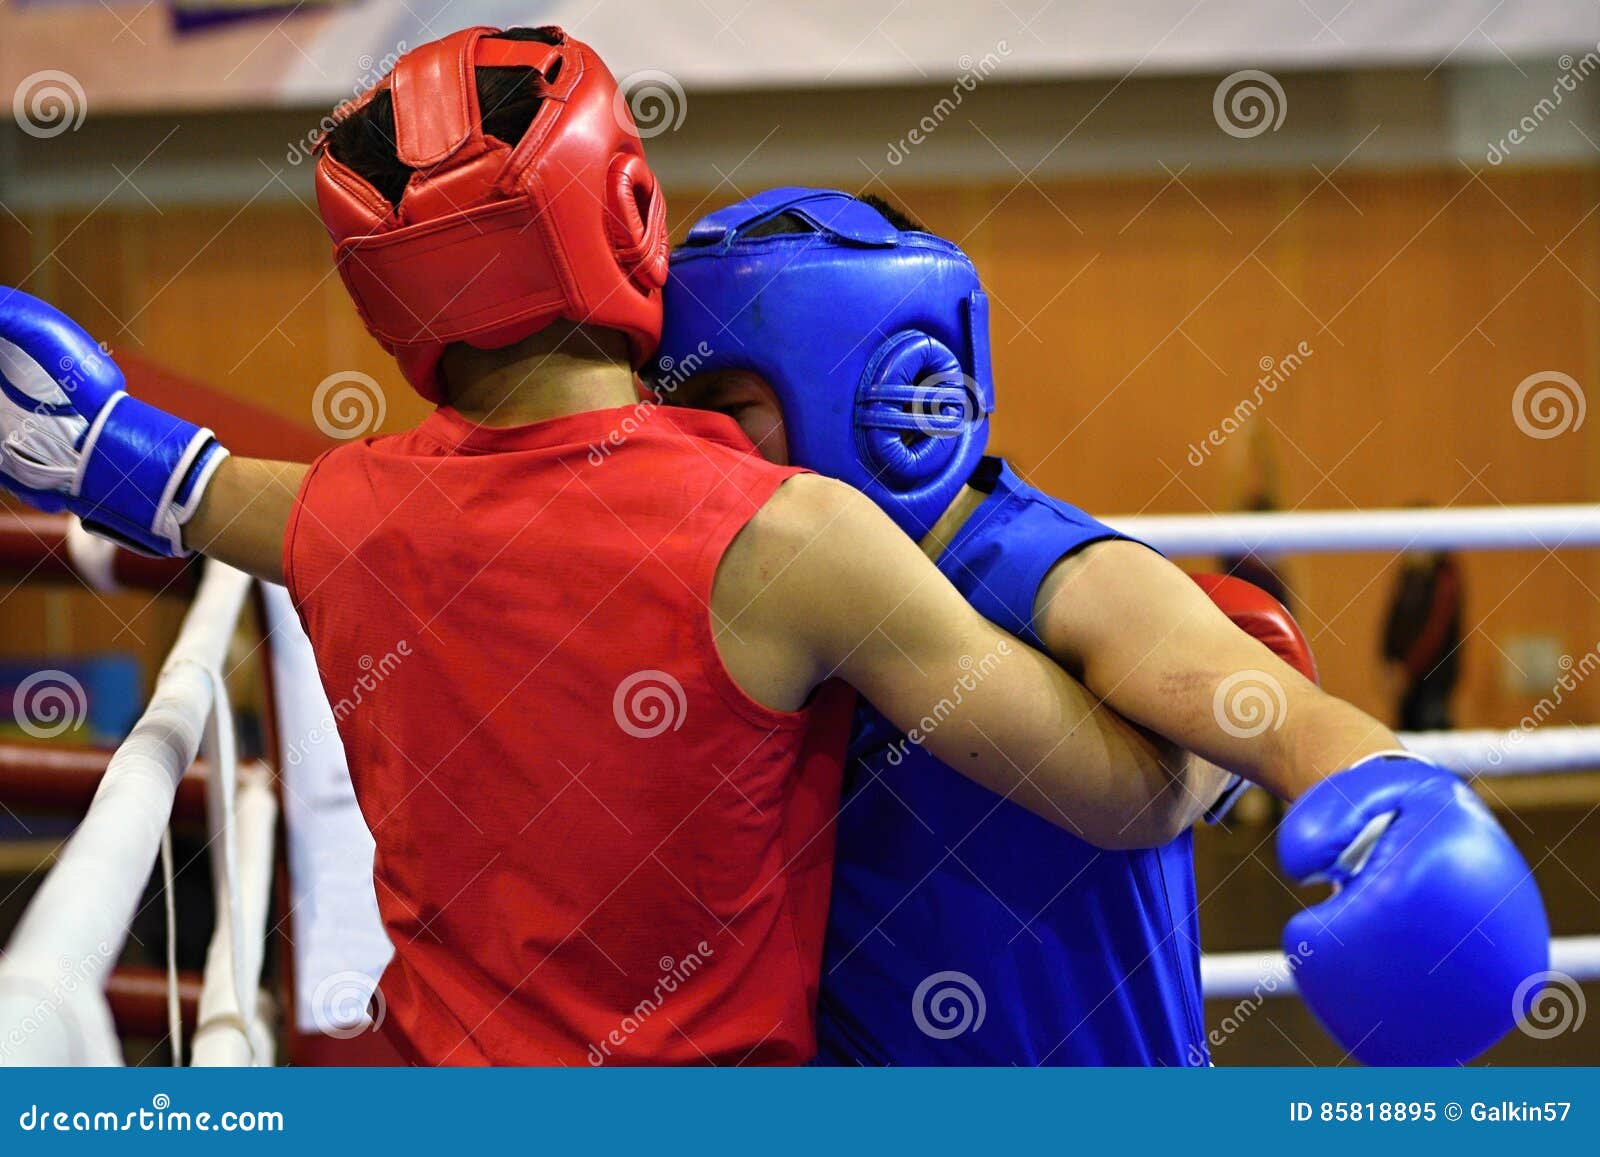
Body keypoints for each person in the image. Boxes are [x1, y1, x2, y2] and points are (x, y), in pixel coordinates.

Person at [0, 27, 1251, 1067]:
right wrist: (1235, 695)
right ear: (626, 210)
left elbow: (179, 485)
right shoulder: (788, 530)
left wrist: (103, 440)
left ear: (384, 304)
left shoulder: (341, 512)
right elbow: (1119, 793)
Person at [653, 187, 1550, 1066]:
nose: (695, 449)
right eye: (677, 415)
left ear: (881, 395)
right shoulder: (732, 596)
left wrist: (1389, 804)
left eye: (731, 411)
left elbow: (1257, 700)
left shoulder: (1037, 566)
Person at [1382, 542, 1463, 731]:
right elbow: (1391, 622)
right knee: (1407, 740)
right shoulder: (1407, 576)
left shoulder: (1445, 579)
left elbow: (1434, 632)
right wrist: (1387, 662)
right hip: (1407, 683)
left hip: (1433, 682)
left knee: (1433, 740)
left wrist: (1407, 670)